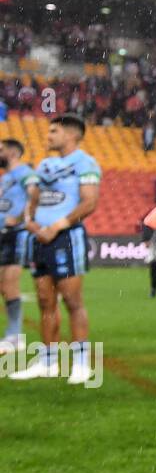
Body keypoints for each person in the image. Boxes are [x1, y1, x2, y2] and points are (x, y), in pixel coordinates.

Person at [9, 116, 101, 384]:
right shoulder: (45, 164)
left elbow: (89, 202)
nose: (48, 136)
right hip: (39, 239)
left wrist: (56, 227)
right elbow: (34, 197)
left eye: (53, 131)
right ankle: (48, 362)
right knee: (44, 301)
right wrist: (31, 221)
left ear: (71, 135)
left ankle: (81, 363)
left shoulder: (86, 163)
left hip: (66, 238)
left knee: (73, 301)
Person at [0, 138, 33, 353]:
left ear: (13, 153)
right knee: (3, 284)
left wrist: (20, 217)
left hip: (16, 234)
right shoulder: (6, 177)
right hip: (3, 234)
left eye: (1, 150)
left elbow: (35, 196)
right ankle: (13, 334)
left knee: (9, 283)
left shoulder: (25, 173)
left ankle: (15, 336)